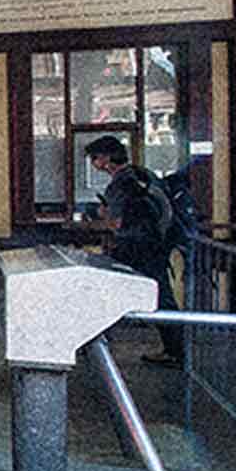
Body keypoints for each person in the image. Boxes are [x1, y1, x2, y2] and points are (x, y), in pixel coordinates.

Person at [84, 135, 183, 364]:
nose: (93, 163)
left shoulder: (120, 183)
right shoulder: (143, 175)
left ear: (106, 158)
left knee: (102, 289)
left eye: (95, 158)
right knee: (162, 296)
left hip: (132, 247)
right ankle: (176, 349)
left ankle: (95, 343)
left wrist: (101, 214)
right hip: (156, 245)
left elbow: (116, 223)